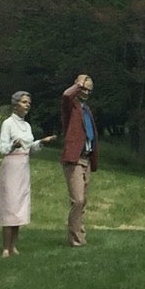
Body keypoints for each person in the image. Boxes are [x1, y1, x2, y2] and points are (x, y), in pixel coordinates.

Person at [0, 91, 45, 256]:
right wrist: (12, 145)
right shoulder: (8, 124)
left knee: (19, 206)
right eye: (24, 102)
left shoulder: (27, 125)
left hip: (23, 166)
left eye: (28, 103)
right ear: (15, 104)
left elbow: (29, 147)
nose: (27, 105)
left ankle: (13, 245)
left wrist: (42, 142)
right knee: (10, 204)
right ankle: (5, 247)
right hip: (11, 166)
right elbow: (2, 147)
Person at [60, 72, 98, 247]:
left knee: (84, 201)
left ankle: (80, 237)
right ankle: (74, 239)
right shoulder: (71, 106)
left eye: (89, 90)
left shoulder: (86, 109)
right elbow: (67, 95)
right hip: (74, 159)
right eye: (84, 88)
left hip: (86, 159)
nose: (86, 92)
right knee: (78, 200)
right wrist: (79, 83)